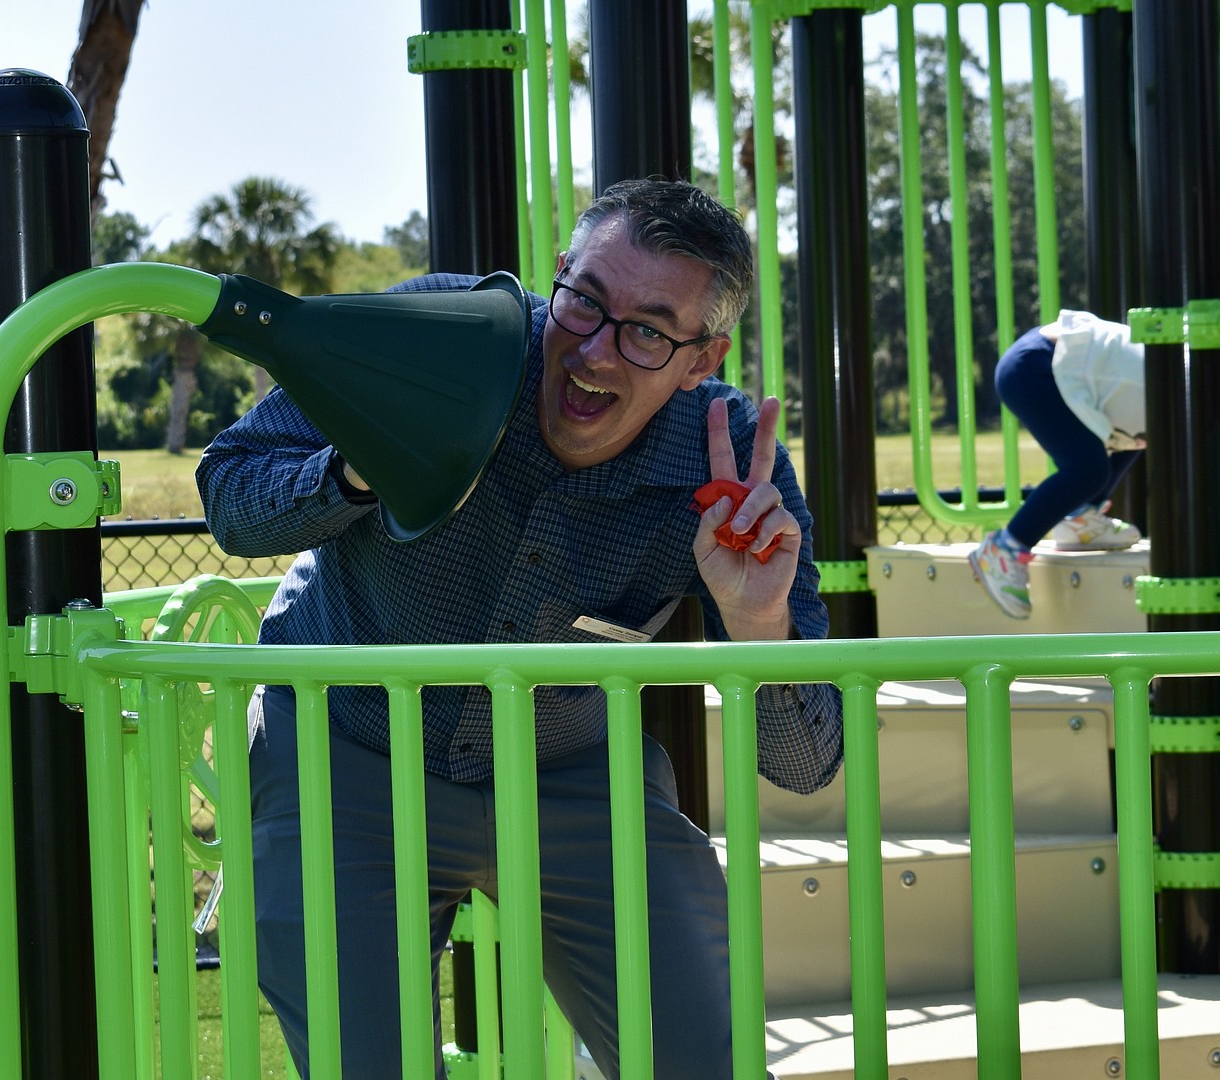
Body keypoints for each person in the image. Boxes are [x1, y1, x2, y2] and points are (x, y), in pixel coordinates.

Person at [196, 178, 843, 1080]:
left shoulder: (731, 462)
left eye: (649, 331)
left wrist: (757, 619)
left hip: (567, 769)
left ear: (703, 360)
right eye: (583, 302)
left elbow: (806, 763)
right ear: (557, 277)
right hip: (348, 748)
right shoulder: (444, 338)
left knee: (708, 1064)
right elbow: (231, 492)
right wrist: (360, 467)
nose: (595, 351)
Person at [969, 310, 1146, 619]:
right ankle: (1004, 549)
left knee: (1133, 438)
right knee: (1087, 468)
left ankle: (1079, 519)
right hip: (1036, 367)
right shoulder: (1181, 386)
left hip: (1046, 360)